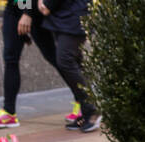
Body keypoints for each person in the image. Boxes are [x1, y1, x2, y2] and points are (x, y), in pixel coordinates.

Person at [0, 0, 78, 130]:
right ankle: (9, 112)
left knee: (53, 56)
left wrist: (27, 14)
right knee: (10, 58)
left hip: (33, 8)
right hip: (14, 8)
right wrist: (8, 18)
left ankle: (83, 100)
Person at [38, 0, 100, 132]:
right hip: (54, 18)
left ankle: (90, 108)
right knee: (72, 62)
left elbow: (22, 3)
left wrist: (28, 12)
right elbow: (15, 4)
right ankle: (87, 109)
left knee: (65, 61)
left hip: (65, 17)